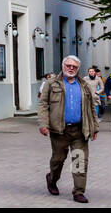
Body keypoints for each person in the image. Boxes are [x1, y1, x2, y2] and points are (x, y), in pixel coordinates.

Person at [39, 55, 99, 203]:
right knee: (58, 160)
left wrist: (95, 127)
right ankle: (52, 179)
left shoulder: (84, 85)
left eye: (74, 66)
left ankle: (78, 192)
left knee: (79, 160)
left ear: (78, 68)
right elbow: (43, 105)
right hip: (59, 130)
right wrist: (43, 124)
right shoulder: (52, 83)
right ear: (63, 66)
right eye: (68, 65)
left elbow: (91, 107)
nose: (71, 68)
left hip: (80, 130)